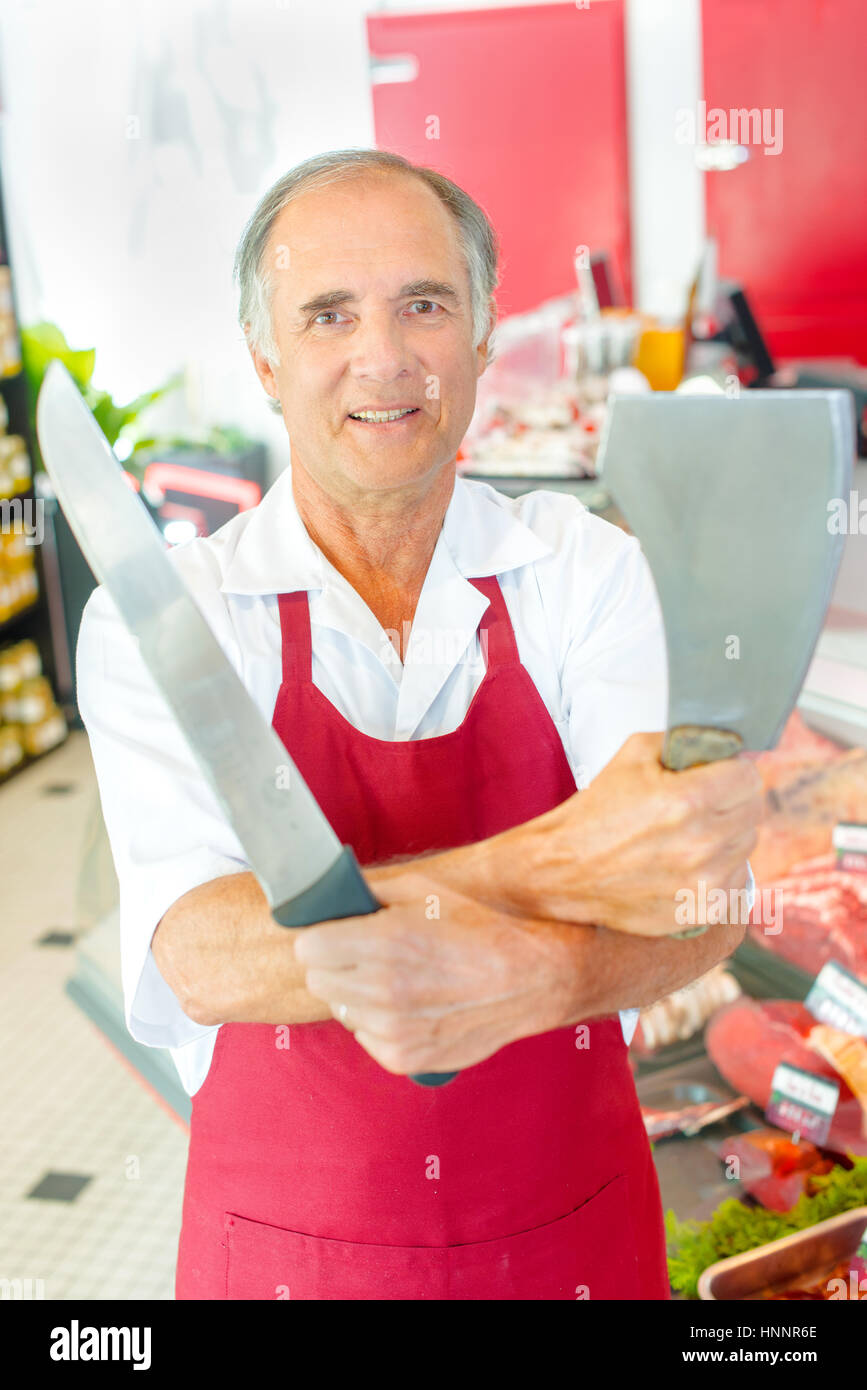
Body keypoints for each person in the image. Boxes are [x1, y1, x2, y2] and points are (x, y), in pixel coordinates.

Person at [77, 149, 762, 1301]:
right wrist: (560, 869)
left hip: (571, 1240)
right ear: (265, 359)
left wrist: (536, 983)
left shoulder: (582, 571)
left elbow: (698, 903)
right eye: (329, 312)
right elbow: (205, 954)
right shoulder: (170, 616)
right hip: (285, 1256)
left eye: (425, 305)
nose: (382, 356)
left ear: (485, 337)